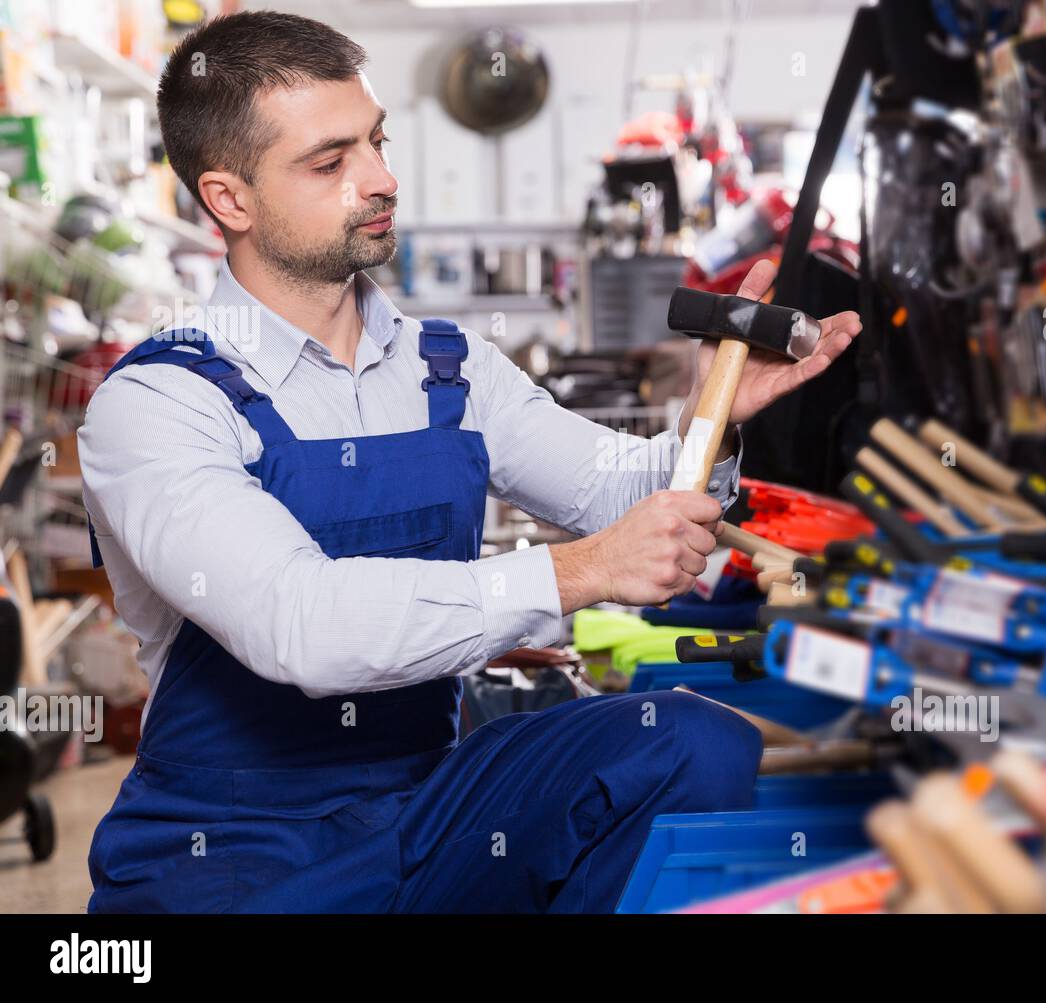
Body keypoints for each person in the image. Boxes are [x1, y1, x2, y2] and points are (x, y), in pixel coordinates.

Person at [80, 11, 862, 913]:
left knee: (691, 740)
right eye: (331, 163)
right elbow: (299, 625)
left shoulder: (445, 365)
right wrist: (580, 571)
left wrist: (714, 417)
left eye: (375, 141)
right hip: (232, 852)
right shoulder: (158, 404)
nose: (381, 180)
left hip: (426, 810)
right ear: (230, 199)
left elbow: (613, 488)